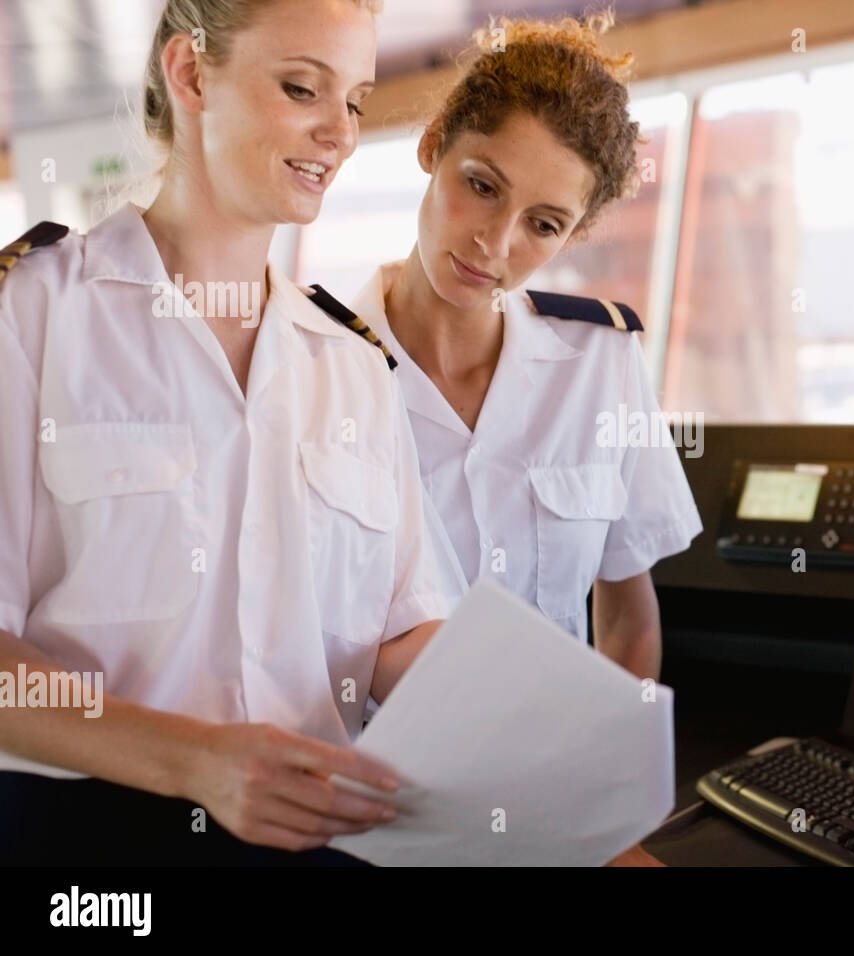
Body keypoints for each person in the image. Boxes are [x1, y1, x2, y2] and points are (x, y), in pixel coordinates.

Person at [0, 0, 461, 865]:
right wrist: (197, 763)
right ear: (190, 74)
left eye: (356, 103)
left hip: (316, 834)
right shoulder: (31, 315)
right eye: (302, 89)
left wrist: (540, 735)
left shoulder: (354, 367)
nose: (340, 134)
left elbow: (401, 633)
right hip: (86, 843)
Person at [350, 12, 703, 681]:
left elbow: (626, 605)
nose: (496, 242)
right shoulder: (316, 361)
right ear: (433, 146)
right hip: (369, 769)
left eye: (542, 224)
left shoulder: (603, 365)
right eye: (482, 186)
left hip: (552, 774)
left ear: (571, 237)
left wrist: (614, 763)